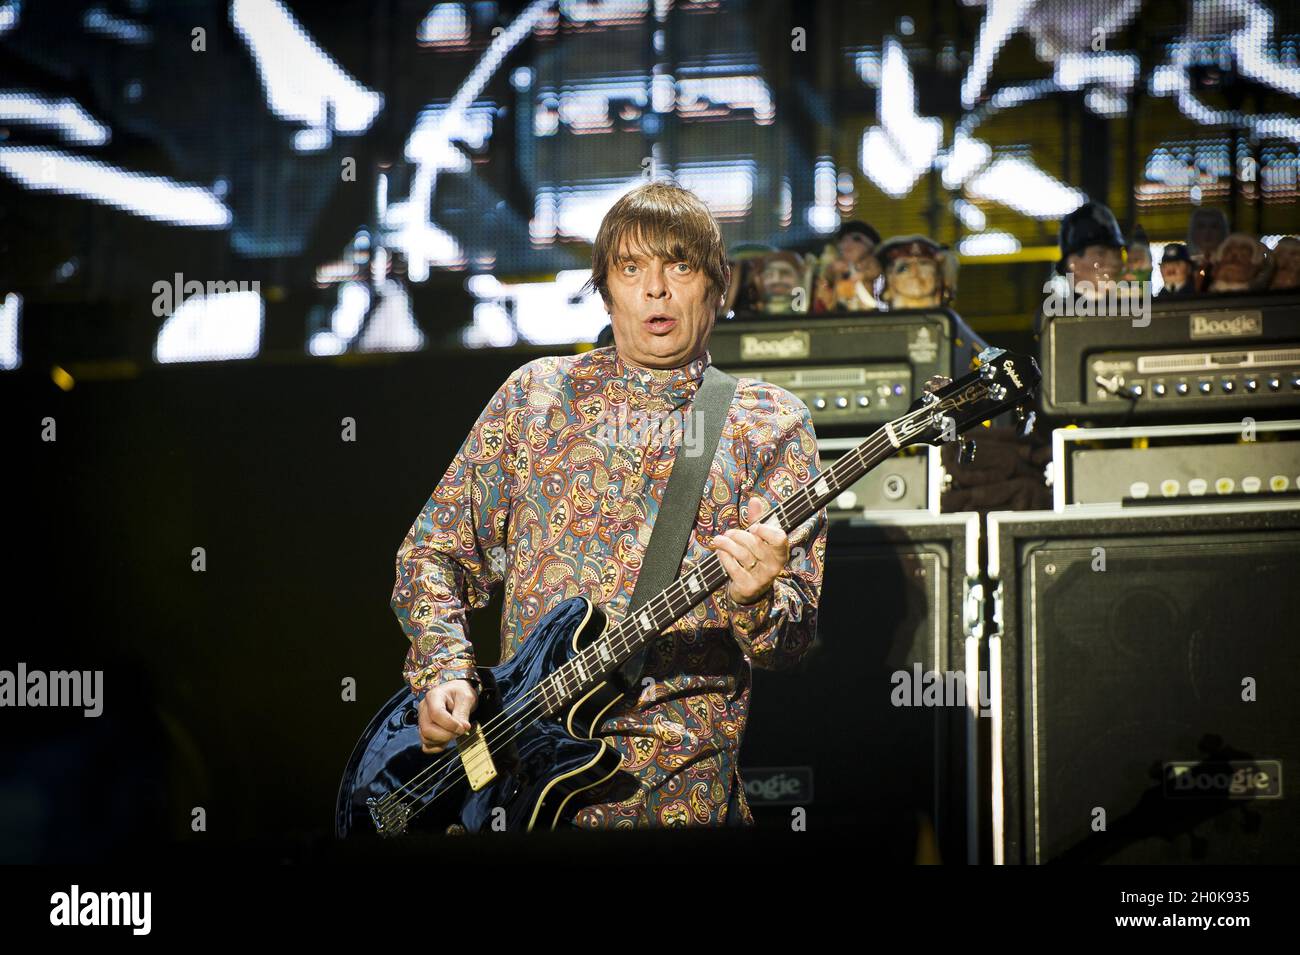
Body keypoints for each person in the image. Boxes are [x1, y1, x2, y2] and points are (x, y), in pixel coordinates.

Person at [390, 180, 829, 828]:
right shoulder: (535, 398)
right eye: (631, 268)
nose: (656, 289)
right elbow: (433, 552)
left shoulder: (767, 424)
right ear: (605, 288)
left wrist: (758, 599)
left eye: (679, 266)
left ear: (719, 286)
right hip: (519, 791)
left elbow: (791, 644)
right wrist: (445, 672)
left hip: (681, 802)